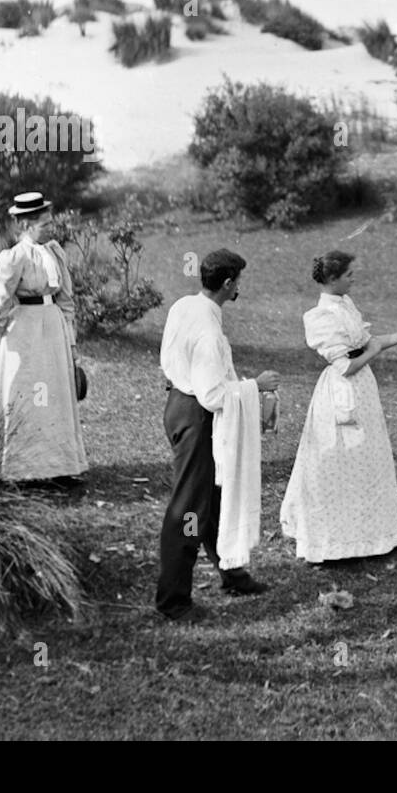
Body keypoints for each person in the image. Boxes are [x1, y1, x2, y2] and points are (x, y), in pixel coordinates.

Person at [157, 248, 280, 621]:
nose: (240, 287)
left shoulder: (185, 306)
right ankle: (173, 601)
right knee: (190, 510)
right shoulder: (209, 331)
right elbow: (212, 396)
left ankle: (232, 572)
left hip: (179, 404)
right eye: (239, 281)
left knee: (212, 497)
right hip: (196, 418)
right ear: (228, 284)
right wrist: (254, 387)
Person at [279, 251, 397, 563]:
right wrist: (373, 349)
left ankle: (370, 530)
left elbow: (368, 342)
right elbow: (345, 366)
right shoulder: (321, 316)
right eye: (349, 275)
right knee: (338, 457)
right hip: (342, 392)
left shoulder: (346, 305)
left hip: (364, 388)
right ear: (332, 279)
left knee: (368, 456)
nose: (354, 279)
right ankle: (337, 536)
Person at [0, 191, 88, 483]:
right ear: (25, 226)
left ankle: (58, 467)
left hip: (53, 330)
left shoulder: (55, 252)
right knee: (26, 393)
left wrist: (71, 341)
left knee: (55, 397)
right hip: (24, 332)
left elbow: (66, 300)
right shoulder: (13, 258)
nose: (51, 228)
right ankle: (21, 469)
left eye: (50, 222)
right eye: (44, 224)